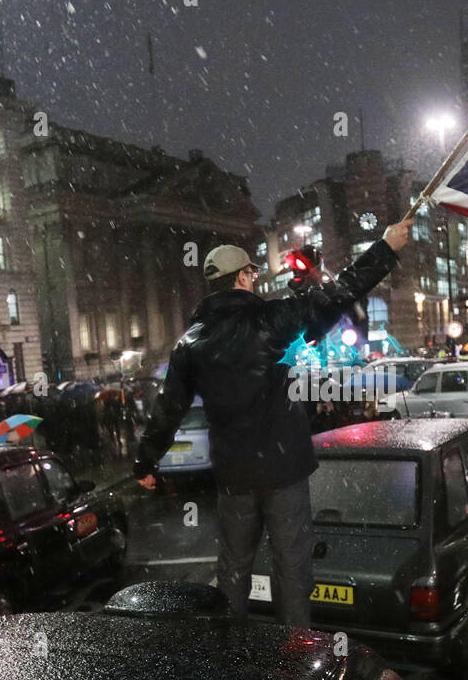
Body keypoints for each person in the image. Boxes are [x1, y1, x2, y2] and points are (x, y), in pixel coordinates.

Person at [134, 219, 413, 625]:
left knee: (233, 567)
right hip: (284, 471)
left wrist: (146, 461)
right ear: (244, 277)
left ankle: (227, 647)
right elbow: (340, 293)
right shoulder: (270, 319)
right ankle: (295, 654)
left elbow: (168, 407)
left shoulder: (190, 344)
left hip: (235, 474)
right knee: (293, 566)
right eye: (251, 273)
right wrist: (385, 248)